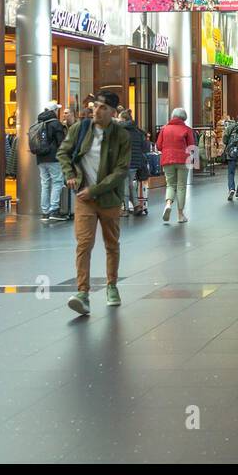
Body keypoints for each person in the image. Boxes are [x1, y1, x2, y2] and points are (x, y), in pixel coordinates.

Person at [56, 91, 133, 316]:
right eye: (96, 106)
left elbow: (121, 171)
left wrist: (95, 190)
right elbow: (63, 152)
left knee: (111, 244)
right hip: (84, 199)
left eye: (102, 108)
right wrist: (70, 173)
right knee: (84, 244)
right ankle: (83, 293)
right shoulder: (80, 129)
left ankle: (112, 286)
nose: (96, 110)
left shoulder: (121, 136)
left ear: (113, 112)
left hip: (108, 199)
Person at [30, 100, 67, 222]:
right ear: (54, 111)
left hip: (40, 157)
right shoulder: (55, 124)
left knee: (45, 183)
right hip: (54, 157)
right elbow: (61, 142)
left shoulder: (38, 122)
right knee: (57, 182)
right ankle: (54, 210)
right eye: (57, 109)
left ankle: (45, 212)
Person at [158, 107, 196, 222]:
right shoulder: (187, 130)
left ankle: (168, 204)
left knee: (170, 184)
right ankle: (180, 215)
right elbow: (192, 147)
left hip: (167, 159)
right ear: (184, 118)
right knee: (181, 186)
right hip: (183, 160)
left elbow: (158, 146)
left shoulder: (164, 129)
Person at [120, 110, 150, 216]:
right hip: (136, 162)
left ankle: (125, 209)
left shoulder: (121, 131)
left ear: (123, 119)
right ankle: (137, 205)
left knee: (125, 185)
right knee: (130, 185)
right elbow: (145, 147)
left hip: (124, 161)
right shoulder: (138, 131)